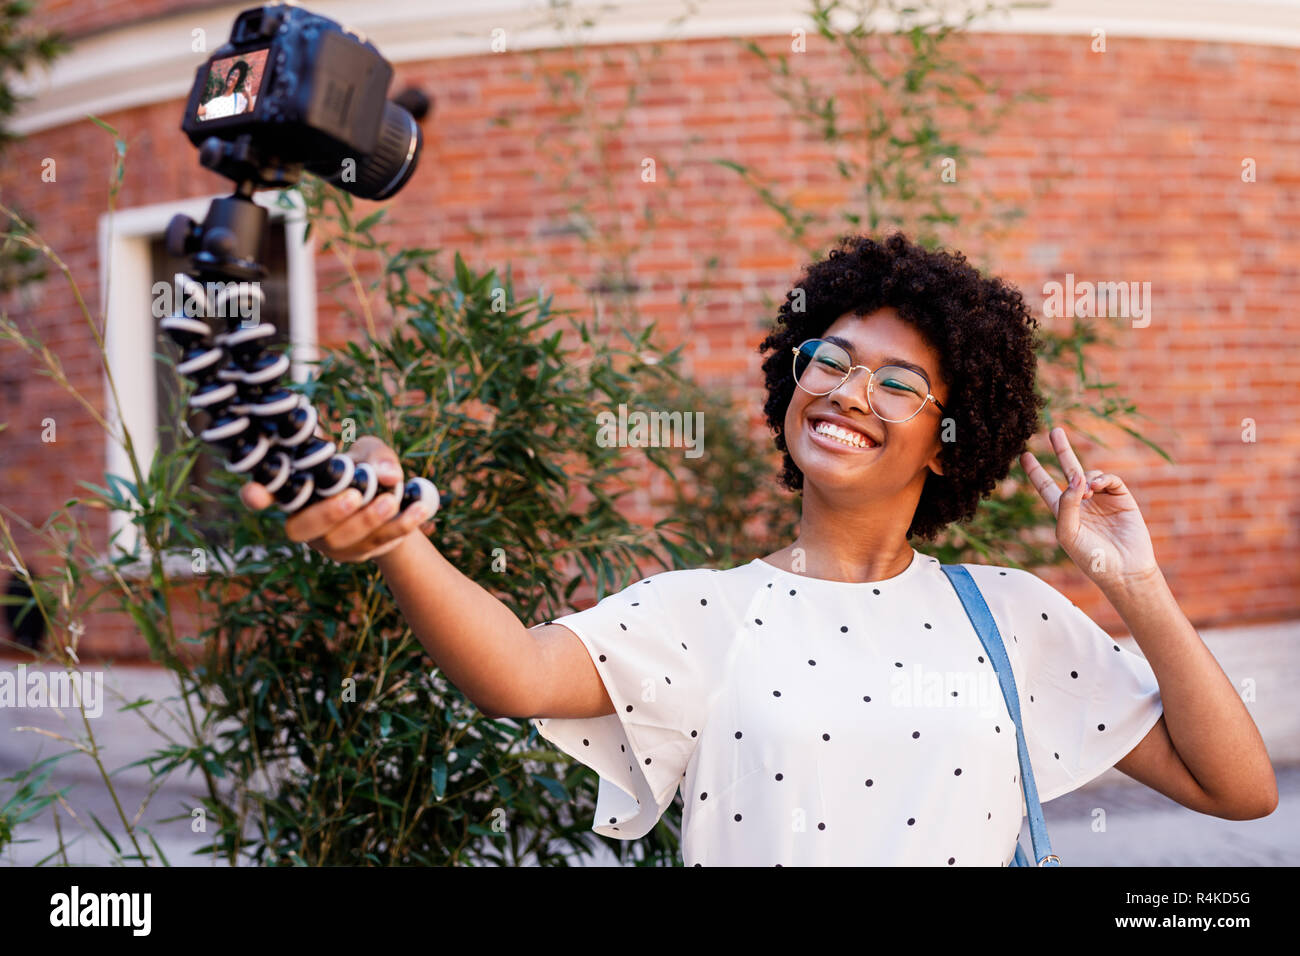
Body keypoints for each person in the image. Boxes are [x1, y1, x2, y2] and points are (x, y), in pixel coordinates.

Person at [239, 231, 1277, 866]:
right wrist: (394, 534)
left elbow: (1239, 789)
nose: (847, 392)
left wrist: (1131, 581)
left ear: (950, 438)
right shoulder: (705, 611)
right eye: (830, 357)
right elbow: (514, 670)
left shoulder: (1007, 615)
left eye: (899, 382)